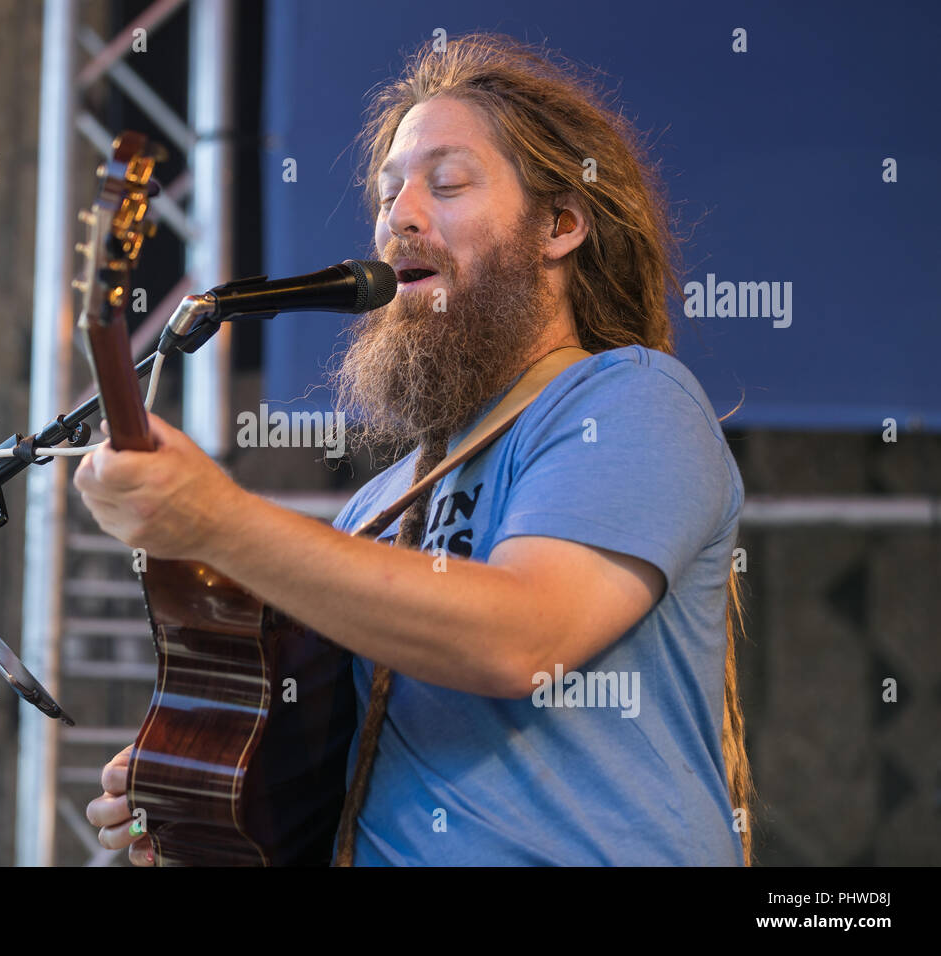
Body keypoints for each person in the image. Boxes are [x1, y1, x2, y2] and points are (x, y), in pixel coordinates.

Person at [80, 33, 754, 866]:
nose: (399, 217)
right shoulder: (379, 506)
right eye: (387, 191)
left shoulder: (629, 400)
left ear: (561, 222)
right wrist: (188, 787)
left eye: (447, 184)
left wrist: (217, 521)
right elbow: (320, 781)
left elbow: (523, 637)